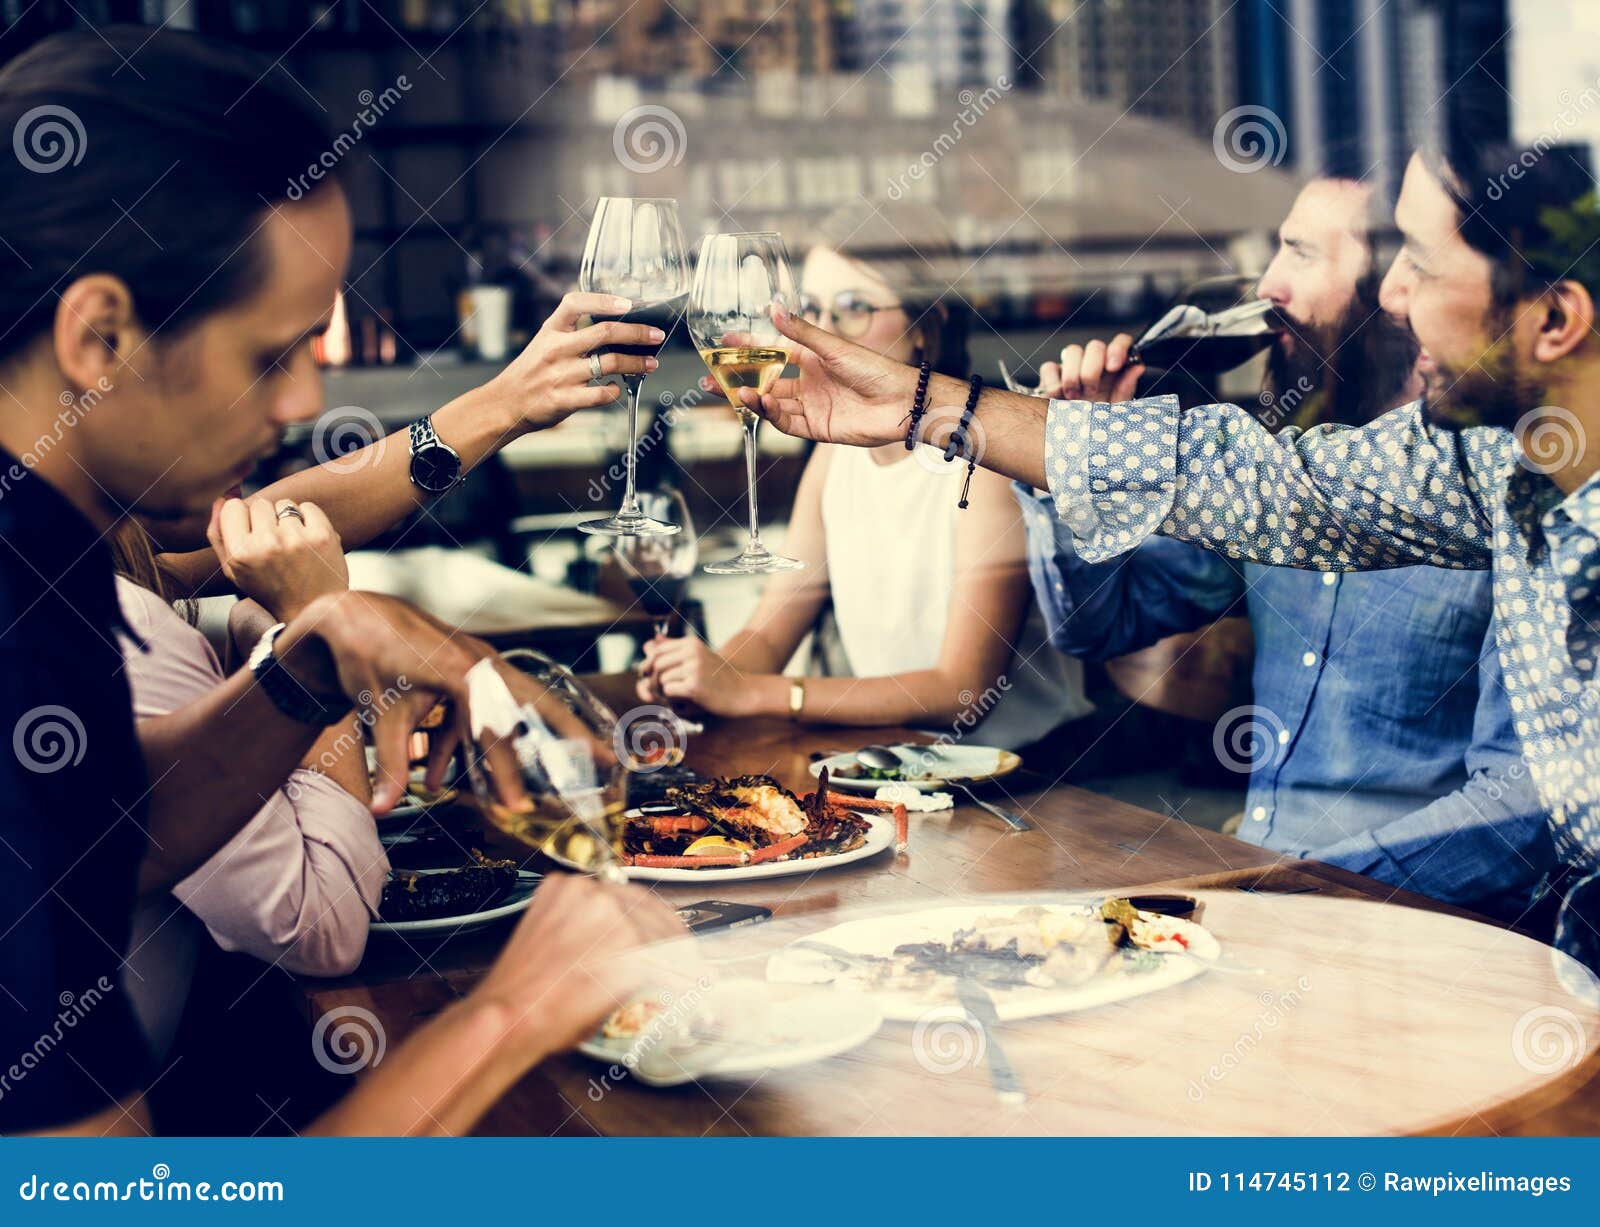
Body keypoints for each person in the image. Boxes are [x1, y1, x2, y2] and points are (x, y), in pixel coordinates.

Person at [0, 28, 683, 1135]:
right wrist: (513, 1013)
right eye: (272, 355)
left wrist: (312, 664)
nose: (303, 406)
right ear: (102, 336)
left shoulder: (49, 540)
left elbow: (104, 838)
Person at [733, 131, 1600, 991]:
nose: (1398, 295)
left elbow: (1522, 810)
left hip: (1429, 950)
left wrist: (1273, 902)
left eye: (1418, 262)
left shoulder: (1504, 474)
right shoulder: (1487, 464)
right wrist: (931, 408)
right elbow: (1254, 484)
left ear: (1556, 320)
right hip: (1289, 898)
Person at [1019, 174, 1553, 921]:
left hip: (1416, 931)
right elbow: (1102, 623)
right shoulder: (1278, 467)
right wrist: (1072, 479)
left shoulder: (1496, 485)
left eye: (1301, 254)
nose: (1270, 285)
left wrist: (1302, 885)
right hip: (1258, 894)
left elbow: (1518, 815)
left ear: (1391, 288)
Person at [638, 201, 1091, 750]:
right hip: (900, 768)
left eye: (854, 307)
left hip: (1023, 775)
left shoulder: (982, 458)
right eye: (811, 309)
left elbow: (960, 693)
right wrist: (705, 678)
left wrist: (758, 694)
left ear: (926, 327)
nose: (821, 333)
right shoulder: (836, 457)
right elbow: (768, 631)